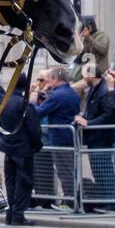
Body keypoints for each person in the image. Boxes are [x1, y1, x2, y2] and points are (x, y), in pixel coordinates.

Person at [0, 74, 41, 225]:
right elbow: (34, 130)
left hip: (8, 147)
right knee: (23, 182)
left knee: (10, 182)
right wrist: (37, 145)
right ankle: (18, 215)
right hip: (23, 149)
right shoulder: (23, 104)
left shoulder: (3, 103)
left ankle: (10, 214)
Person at [33, 66, 81, 208]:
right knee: (70, 170)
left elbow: (39, 112)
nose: (46, 82)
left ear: (56, 79)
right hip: (70, 136)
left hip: (59, 137)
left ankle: (71, 203)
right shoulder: (72, 92)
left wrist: (32, 100)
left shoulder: (57, 95)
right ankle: (73, 201)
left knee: (64, 172)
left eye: (48, 79)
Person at [76, 65, 115, 210]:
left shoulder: (104, 90)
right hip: (94, 137)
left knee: (105, 170)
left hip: (101, 137)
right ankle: (104, 201)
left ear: (91, 76)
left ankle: (111, 203)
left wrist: (88, 123)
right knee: (98, 170)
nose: (83, 79)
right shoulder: (95, 89)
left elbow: (108, 115)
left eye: (85, 75)